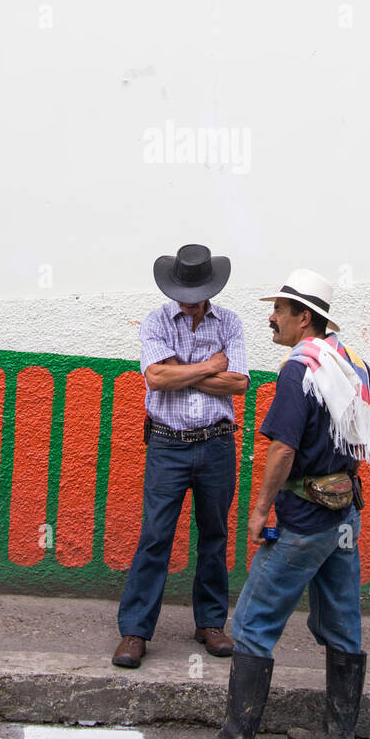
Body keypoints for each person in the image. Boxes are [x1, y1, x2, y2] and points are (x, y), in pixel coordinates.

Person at [182, 268, 370, 739]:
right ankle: (339, 736)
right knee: (343, 624)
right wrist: (351, 457)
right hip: (343, 512)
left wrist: (260, 510)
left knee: (252, 624)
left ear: (303, 318)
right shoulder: (346, 360)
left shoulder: (296, 370)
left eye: (280, 310)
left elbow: (282, 449)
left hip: (304, 518)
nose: (272, 317)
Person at [112, 244, 250, 669]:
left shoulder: (231, 322)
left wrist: (181, 373)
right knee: (155, 535)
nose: (188, 299)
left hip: (217, 443)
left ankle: (210, 624)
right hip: (167, 444)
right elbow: (156, 378)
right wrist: (210, 365)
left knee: (215, 535)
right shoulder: (156, 320)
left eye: (196, 290)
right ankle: (135, 631)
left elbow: (239, 384)